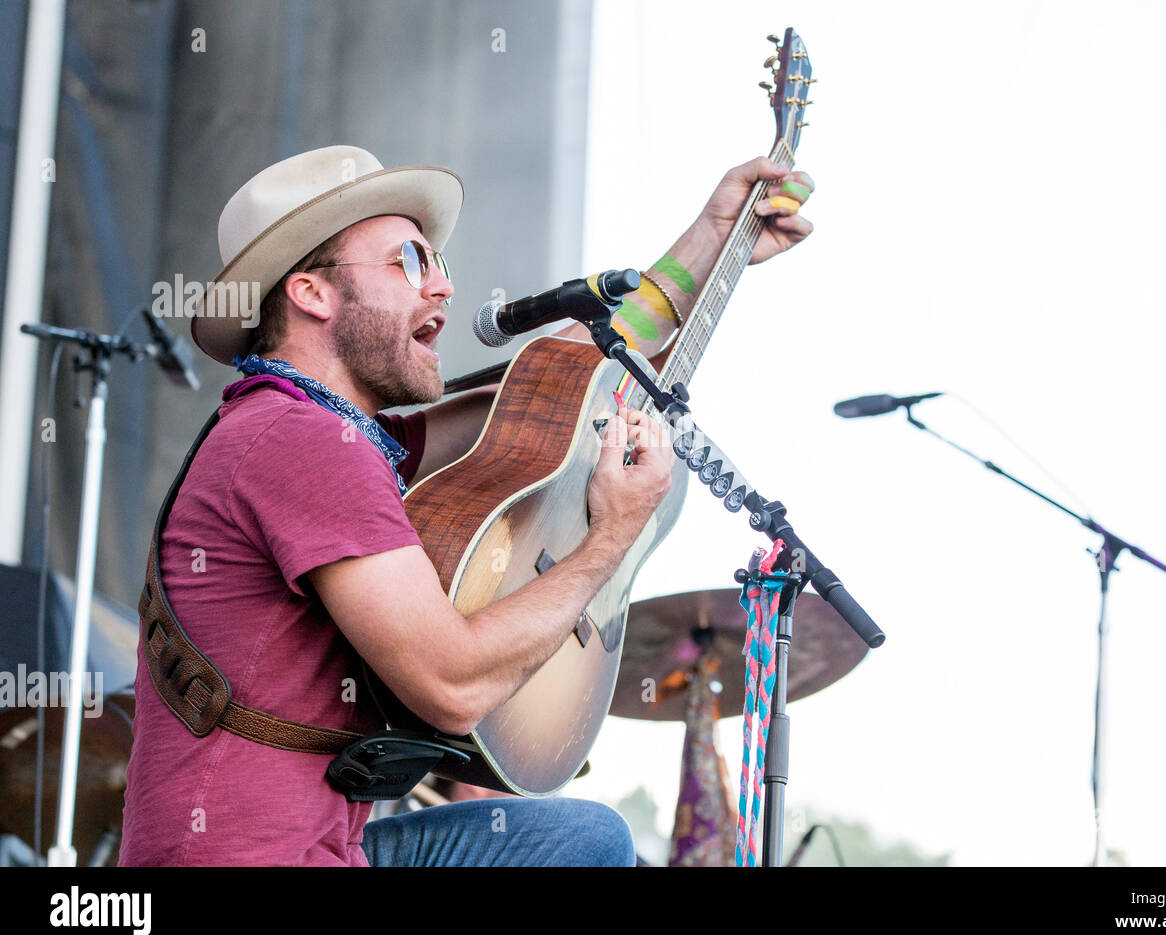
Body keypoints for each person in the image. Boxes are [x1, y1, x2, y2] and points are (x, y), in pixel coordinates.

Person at [119, 145, 814, 866]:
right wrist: (610, 539)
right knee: (585, 847)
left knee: (582, 841)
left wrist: (715, 237)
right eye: (411, 262)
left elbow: (556, 389)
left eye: (439, 265)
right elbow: (454, 687)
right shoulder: (301, 441)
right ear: (312, 293)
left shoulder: (338, 435)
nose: (443, 288)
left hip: (324, 851)